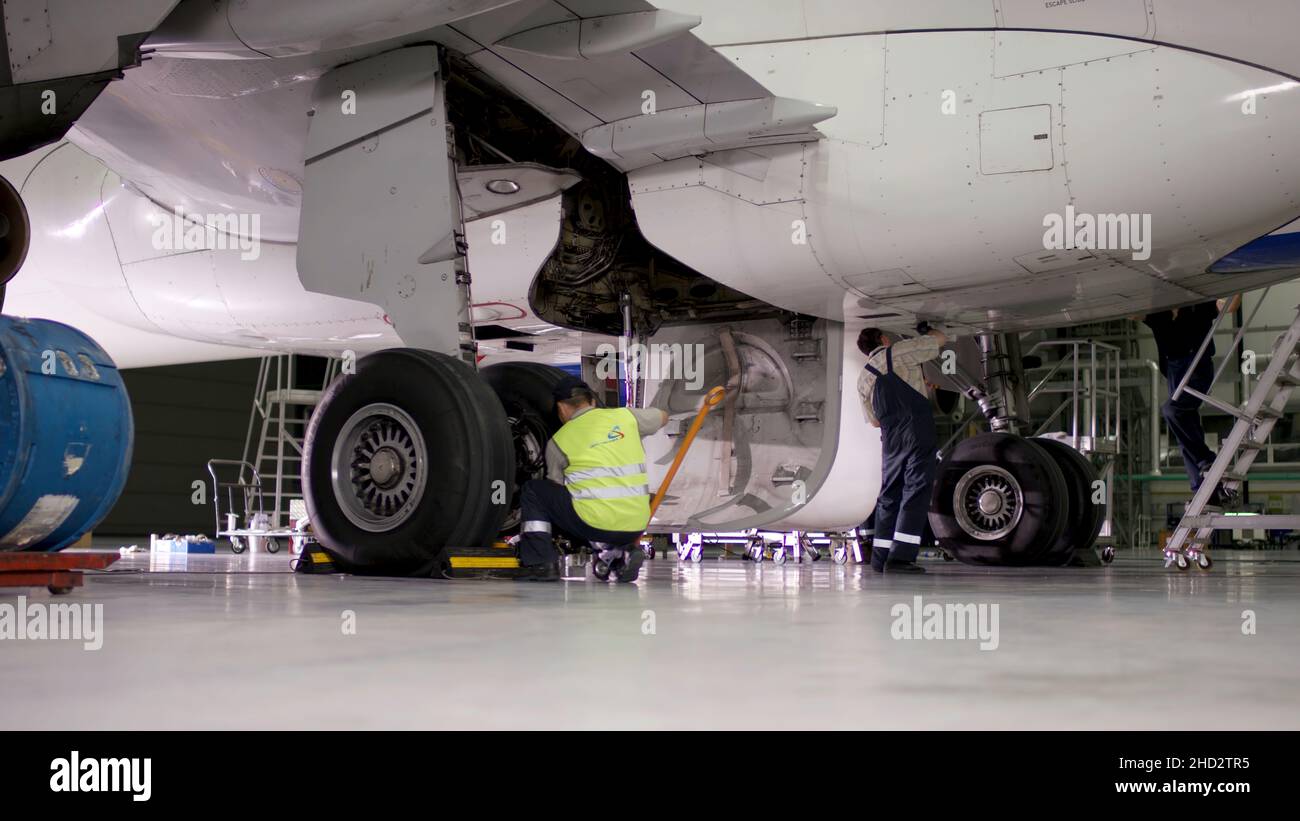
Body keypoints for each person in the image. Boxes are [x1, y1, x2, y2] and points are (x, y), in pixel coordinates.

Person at [517, 376, 668, 581]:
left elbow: (556, 487)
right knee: (592, 503)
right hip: (637, 523)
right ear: (593, 402)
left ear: (561, 408)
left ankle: (541, 562)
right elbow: (663, 417)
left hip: (595, 524)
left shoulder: (558, 441)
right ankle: (617, 553)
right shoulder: (626, 417)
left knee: (535, 491)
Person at [857, 323, 947, 573]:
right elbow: (940, 339)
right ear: (885, 339)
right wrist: (927, 329)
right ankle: (901, 558)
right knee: (916, 488)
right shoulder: (898, 351)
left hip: (891, 438)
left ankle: (880, 558)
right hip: (916, 430)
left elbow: (874, 421)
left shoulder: (863, 377)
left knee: (889, 494)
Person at [1138, 295, 1240, 505]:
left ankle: (1207, 461)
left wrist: (1239, 288)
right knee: (1187, 431)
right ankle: (1205, 491)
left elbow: (1228, 307)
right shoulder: (1159, 313)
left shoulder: (1198, 305)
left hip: (1197, 369)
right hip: (1175, 373)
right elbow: (1133, 314)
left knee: (1172, 411)